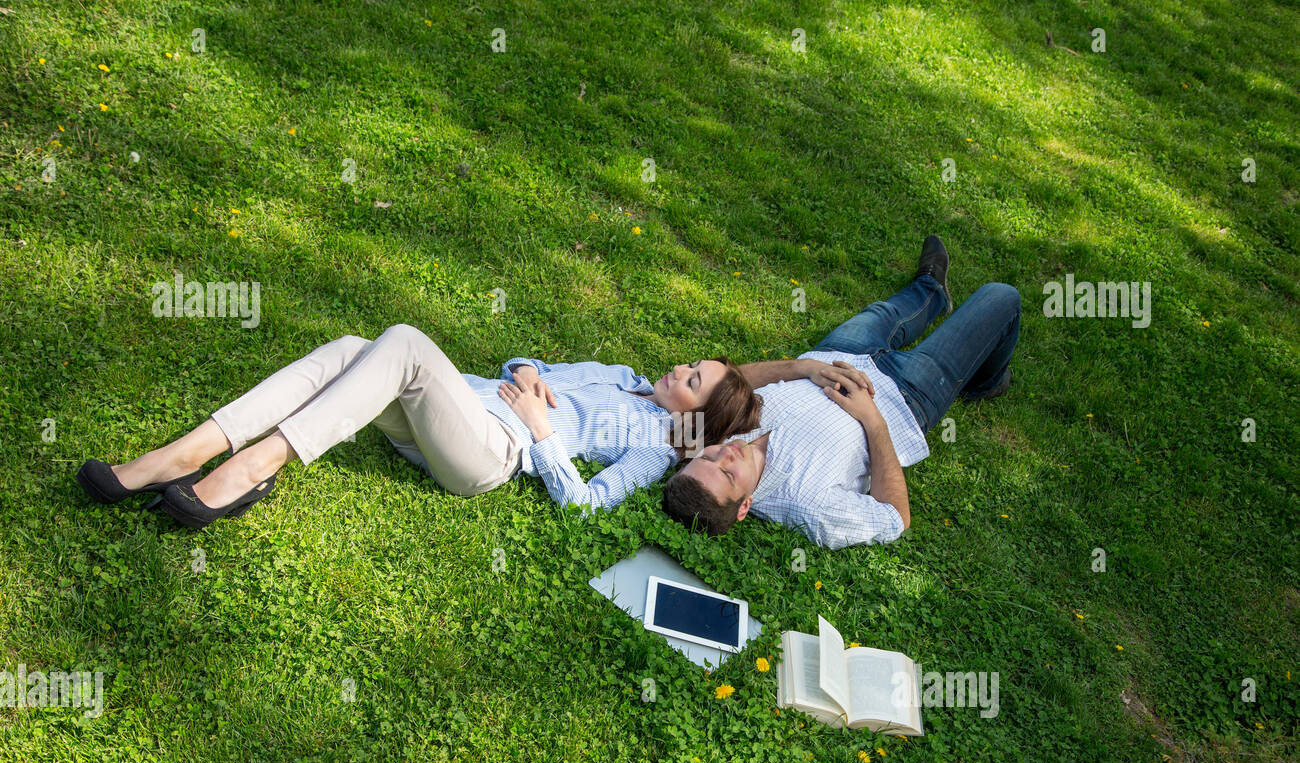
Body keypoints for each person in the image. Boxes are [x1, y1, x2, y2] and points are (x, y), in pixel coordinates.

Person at [76, 323, 763, 528]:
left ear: (694, 418)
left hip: (487, 453)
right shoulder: (618, 372)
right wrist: (526, 373)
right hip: (459, 408)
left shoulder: (653, 446)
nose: (678, 367)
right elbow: (528, 360)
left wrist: (540, 428)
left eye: (692, 379)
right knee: (352, 350)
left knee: (399, 341)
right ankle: (184, 454)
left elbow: (586, 507)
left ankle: (251, 467)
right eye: (690, 363)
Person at [662, 235, 1021, 549]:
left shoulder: (704, 435)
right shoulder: (811, 508)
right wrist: (872, 419)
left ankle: (932, 291)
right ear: (744, 507)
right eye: (727, 475)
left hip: (834, 356)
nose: (725, 455)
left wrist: (804, 367)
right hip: (904, 396)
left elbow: (732, 378)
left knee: (888, 311)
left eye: (706, 458)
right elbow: (895, 517)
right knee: (1000, 298)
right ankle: (988, 383)